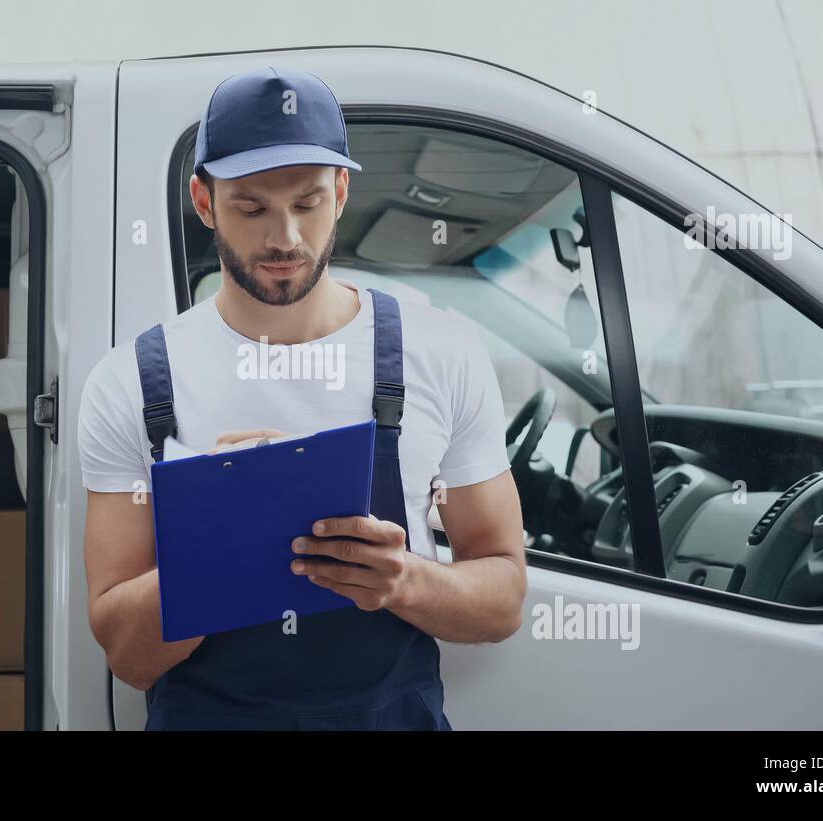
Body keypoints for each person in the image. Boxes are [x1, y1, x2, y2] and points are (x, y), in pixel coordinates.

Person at [78, 66, 526, 730]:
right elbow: (127, 655)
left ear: (341, 191)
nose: (283, 237)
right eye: (251, 207)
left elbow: (504, 593)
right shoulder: (131, 382)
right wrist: (214, 545)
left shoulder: (440, 353)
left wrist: (402, 578)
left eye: (307, 203)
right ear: (205, 203)